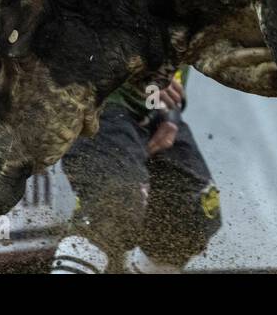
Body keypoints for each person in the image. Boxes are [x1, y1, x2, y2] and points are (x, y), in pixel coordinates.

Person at [52, 70, 222, 273]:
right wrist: (143, 69)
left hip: (149, 107)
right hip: (94, 98)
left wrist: (169, 113)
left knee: (191, 214)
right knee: (115, 203)